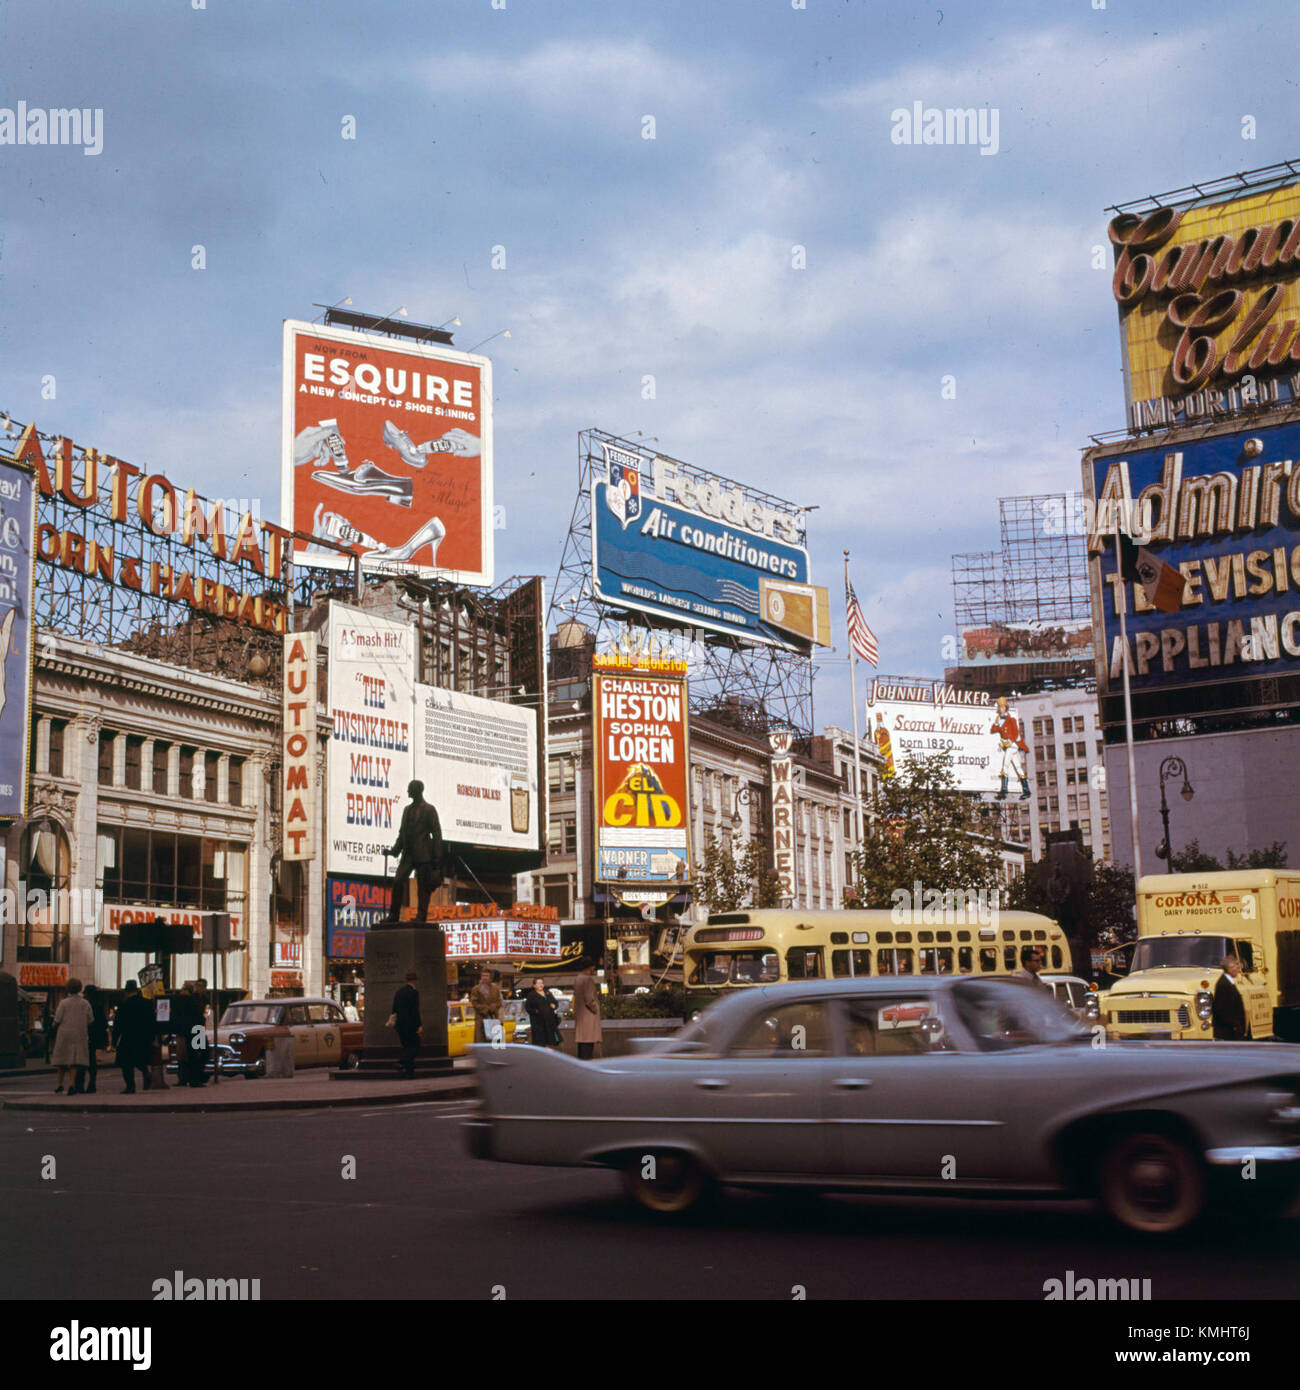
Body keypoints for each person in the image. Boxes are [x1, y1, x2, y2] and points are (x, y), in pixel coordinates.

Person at [382, 780, 444, 924]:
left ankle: (421, 917)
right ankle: (393, 915)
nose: (407, 791)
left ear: (417, 790)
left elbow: (437, 834)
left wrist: (437, 857)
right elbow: (402, 833)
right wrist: (394, 851)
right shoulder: (406, 810)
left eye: (410, 789)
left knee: (422, 888)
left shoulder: (429, 809)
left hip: (424, 855)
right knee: (397, 882)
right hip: (408, 855)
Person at [51, 979, 93, 1095]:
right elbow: (90, 1019)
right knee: (74, 1060)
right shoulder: (85, 1003)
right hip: (79, 1033)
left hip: (64, 1033)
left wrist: (53, 1025)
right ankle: (71, 1085)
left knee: (62, 1060)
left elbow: (57, 1019)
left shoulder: (63, 1003)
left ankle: (59, 1084)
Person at [112, 980, 155, 1093]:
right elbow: (152, 1022)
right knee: (140, 1059)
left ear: (126, 991)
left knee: (126, 1063)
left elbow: (117, 1025)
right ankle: (146, 1073)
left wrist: (113, 1041)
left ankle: (130, 1086)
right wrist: (153, 1038)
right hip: (143, 1037)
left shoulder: (123, 1005)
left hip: (128, 1037)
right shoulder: (147, 1003)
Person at [990, 696, 1031, 801]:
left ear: (1005, 708)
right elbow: (993, 730)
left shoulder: (1011, 719)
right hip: (1009, 746)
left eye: (1002, 707)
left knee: (1005, 766)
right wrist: (996, 722)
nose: (1001, 709)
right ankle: (1026, 790)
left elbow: (1016, 734)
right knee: (1018, 768)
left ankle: (1004, 790)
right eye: (1000, 707)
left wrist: (1008, 742)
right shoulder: (1000, 720)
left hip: (1012, 746)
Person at [391, 971, 422, 1078]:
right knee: (415, 1046)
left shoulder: (399, 992)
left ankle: (409, 1072)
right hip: (411, 1025)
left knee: (406, 1046)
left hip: (400, 1025)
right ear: (415, 980)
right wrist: (419, 1025)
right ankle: (401, 1061)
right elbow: (415, 1010)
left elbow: (394, 1009)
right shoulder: (414, 992)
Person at [1213, 954, 1248, 1040]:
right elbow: (1221, 1008)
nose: (1239, 970)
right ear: (1229, 968)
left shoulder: (1228, 982)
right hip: (1228, 1031)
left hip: (1232, 1030)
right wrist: (1234, 1025)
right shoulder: (1223, 984)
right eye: (1236, 967)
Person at [81, 985, 109, 1094]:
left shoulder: (85, 1005)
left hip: (85, 1034)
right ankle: (92, 1083)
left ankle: (81, 1083)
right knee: (92, 1061)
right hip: (95, 1036)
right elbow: (103, 1023)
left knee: (82, 1060)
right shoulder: (98, 1005)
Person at [573, 958, 602, 1061]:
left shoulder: (578, 978)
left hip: (581, 1016)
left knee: (582, 1044)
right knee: (589, 1044)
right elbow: (589, 999)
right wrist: (596, 1008)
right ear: (590, 967)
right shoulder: (588, 979)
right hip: (589, 1016)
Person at [523, 977, 562, 1048]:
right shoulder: (531, 995)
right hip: (538, 1024)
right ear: (534, 985)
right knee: (541, 1042)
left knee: (551, 1042)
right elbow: (528, 1008)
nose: (540, 985)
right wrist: (536, 1011)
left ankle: (550, 1056)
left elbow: (555, 1002)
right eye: (538, 983)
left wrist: (554, 1005)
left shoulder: (548, 993)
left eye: (542, 983)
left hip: (550, 1022)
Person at [470, 969, 504, 1044]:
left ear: (490, 977)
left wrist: (494, 1006)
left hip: (493, 1018)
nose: (485, 978)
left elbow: (499, 1002)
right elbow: (474, 1003)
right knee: (481, 1041)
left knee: (494, 1041)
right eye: (483, 975)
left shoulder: (495, 989)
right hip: (481, 1019)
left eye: (487, 976)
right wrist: (486, 1008)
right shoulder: (476, 989)